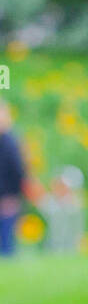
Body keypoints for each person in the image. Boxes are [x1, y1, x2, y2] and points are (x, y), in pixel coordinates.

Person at [0, 100, 25, 257]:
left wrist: (12, 197)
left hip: (7, 199)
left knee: (6, 245)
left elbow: (18, 172)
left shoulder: (9, 142)